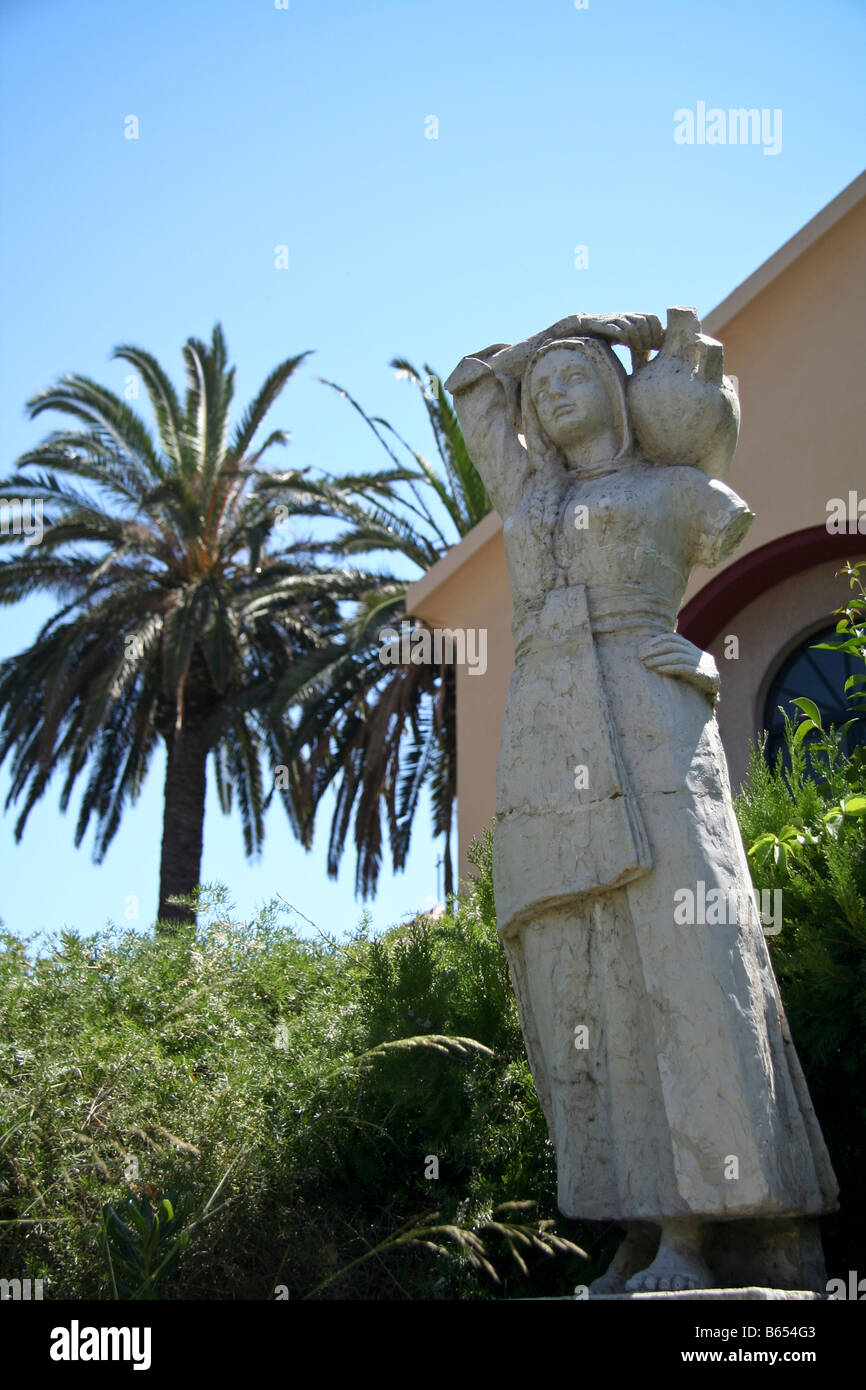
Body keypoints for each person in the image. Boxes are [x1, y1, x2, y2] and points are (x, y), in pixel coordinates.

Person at [444, 313, 838, 1292]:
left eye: (575, 374)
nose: (550, 391)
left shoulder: (678, 492)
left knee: (687, 964)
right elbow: (469, 384)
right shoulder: (530, 496)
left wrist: (701, 662)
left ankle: (700, 1229)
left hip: (650, 716)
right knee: (581, 975)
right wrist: (566, 332)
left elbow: (722, 513)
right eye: (541, 385)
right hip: (547, 734)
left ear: (619, 390)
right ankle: (636, 1216)